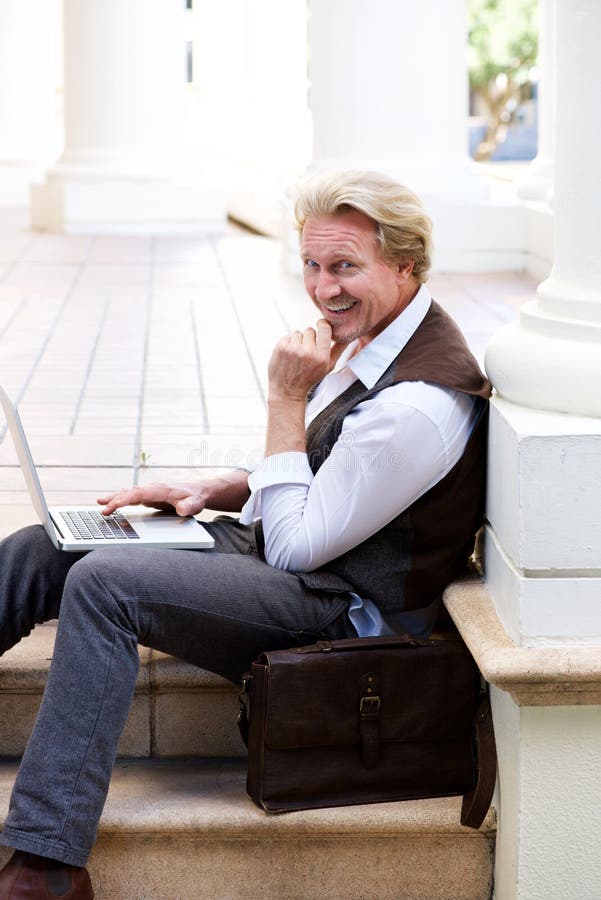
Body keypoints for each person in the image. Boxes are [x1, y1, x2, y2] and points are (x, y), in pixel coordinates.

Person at [0, 170, 491, 899]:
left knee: (104, 584)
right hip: (293, 556)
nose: (323, 289)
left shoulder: (418, 404)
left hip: (342, 608)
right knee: (49, 546)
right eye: (312, 266)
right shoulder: (377, 335)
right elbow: (319, 474)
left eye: (345, 267)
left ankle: (46, 864)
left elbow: (297, 546)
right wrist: (217, 487)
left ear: (405, 264)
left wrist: (285, 394)